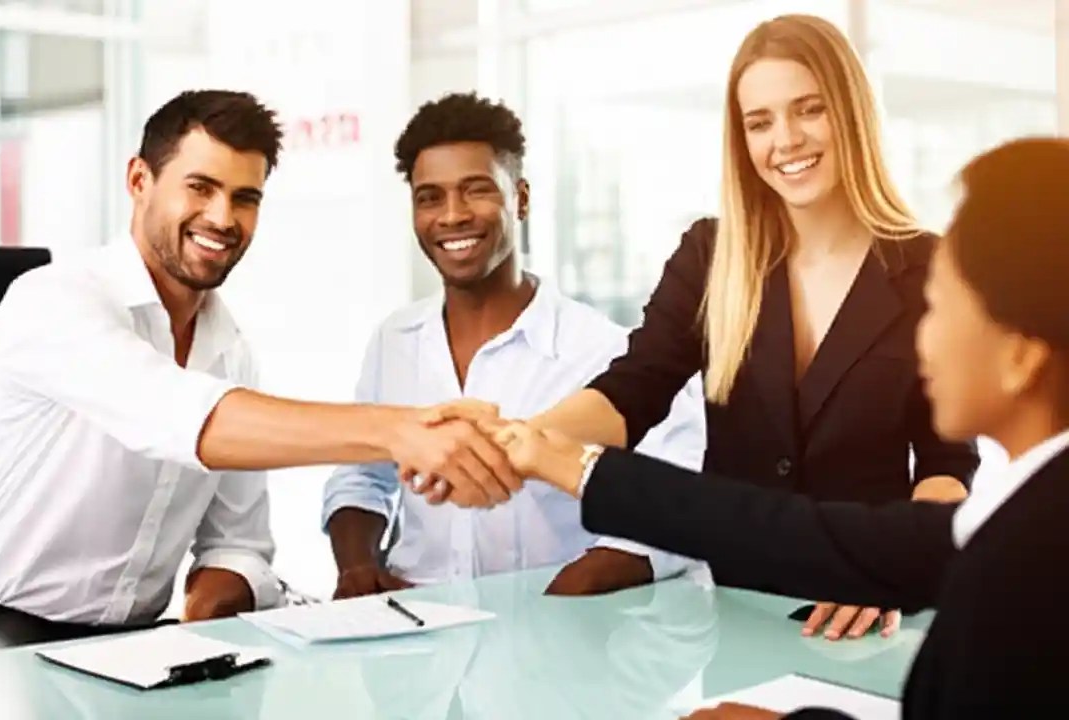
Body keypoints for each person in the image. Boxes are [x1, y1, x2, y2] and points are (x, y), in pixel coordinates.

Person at [427, 13, 978, 640]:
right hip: (738, 603)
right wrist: (512, 439)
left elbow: (946, 461)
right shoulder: (711, 256)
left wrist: (893, 567)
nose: (787, 140)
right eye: (760, 122)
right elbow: (632, 392)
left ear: (850, 112)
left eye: (809, 109)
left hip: (866, 611)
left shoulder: (928, 270)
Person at [481, 135, 1069, 719]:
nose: (920, 337)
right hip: (749, 618)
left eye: (939, 308)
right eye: (759, 120)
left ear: (1021, 356)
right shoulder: (1018, 521)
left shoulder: (1026, 568)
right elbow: (779, 529)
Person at [0, 89, 518, 645]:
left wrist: (214, 597)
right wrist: (400, 431)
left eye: (245, 198)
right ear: (139, 181)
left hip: (139, 649)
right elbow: (175, 415)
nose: (222, 217)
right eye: (200, 188)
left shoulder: (229, 348)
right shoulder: (54, 301)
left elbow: (237, 543)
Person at [321, 92, 706, 598]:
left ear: (520, 198)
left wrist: (577, 587)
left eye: (475, 190)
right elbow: (360, 478)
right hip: (416, 631)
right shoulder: (394, 341)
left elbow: (679, 504)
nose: (451, 215)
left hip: (557, 634)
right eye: (429, 197)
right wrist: (357, 566)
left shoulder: (611, 354)